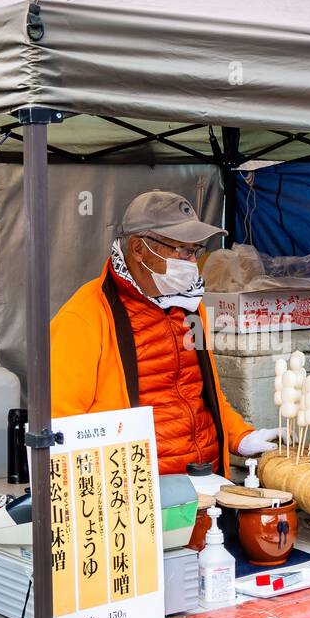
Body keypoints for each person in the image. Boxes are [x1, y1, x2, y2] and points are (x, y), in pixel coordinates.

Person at [49, 190, 280, 477]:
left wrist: (240, 436)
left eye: (194, 250)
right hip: (138, 494)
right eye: (180, 250)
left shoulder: (191, 307)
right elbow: (60, 424)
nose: (190, 262)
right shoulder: (84, 316)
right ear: (138, 248)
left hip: (205, 481)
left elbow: (203, 393)